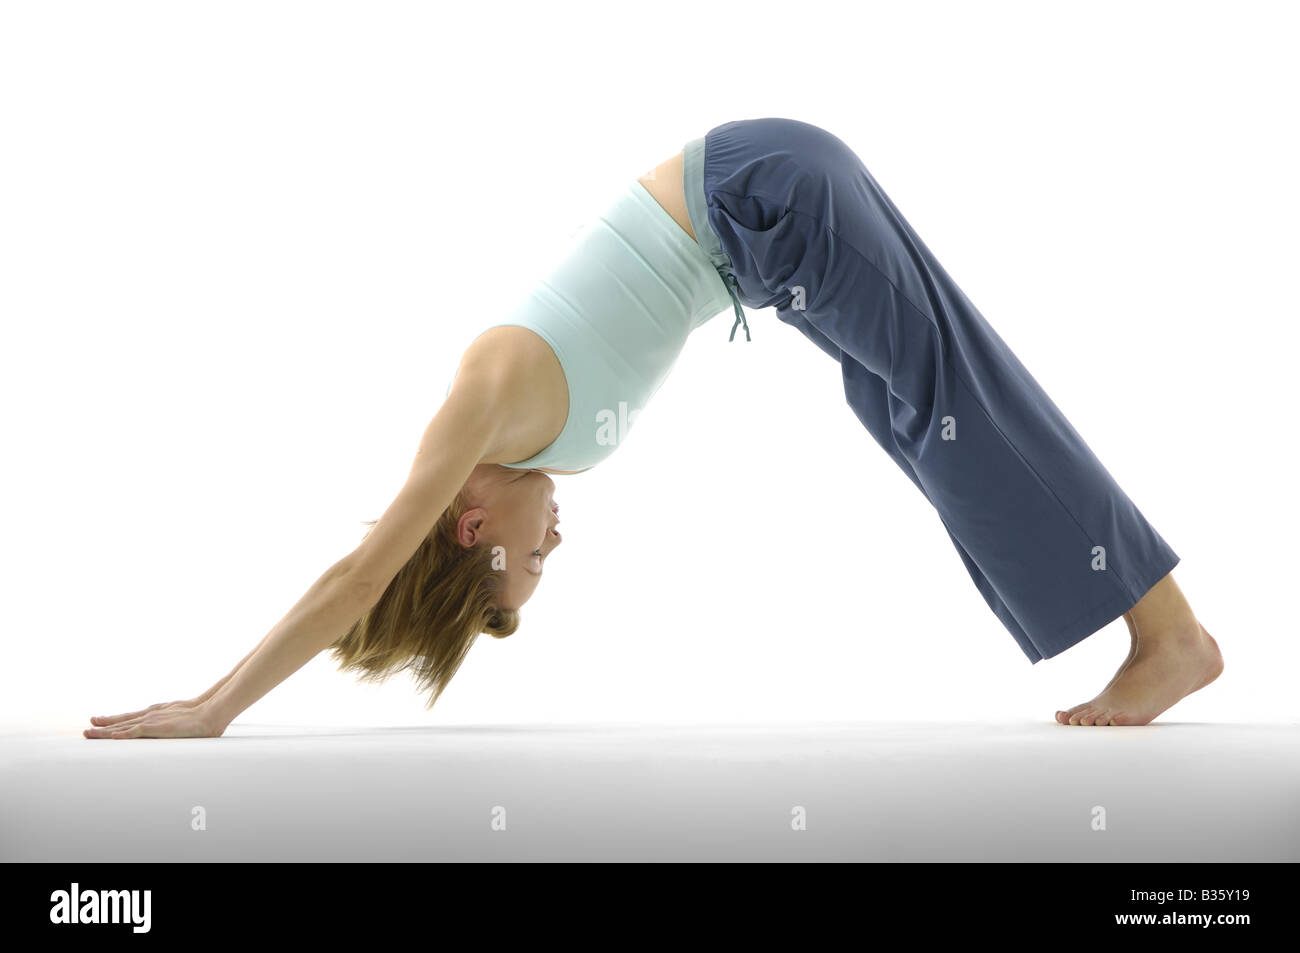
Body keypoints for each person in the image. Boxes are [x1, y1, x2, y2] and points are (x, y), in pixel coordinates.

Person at [85, 118, 1222, 739]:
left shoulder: (483, 399)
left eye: (528, 556)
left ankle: (1167, 633)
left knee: (953, 403)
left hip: (762, 196)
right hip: (768, 220)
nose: (554, 545)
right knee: (908, 407)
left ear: (464, 518)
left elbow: (355, 575)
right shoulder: (536, 450)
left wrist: (215, 704)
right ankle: (1146, 621)